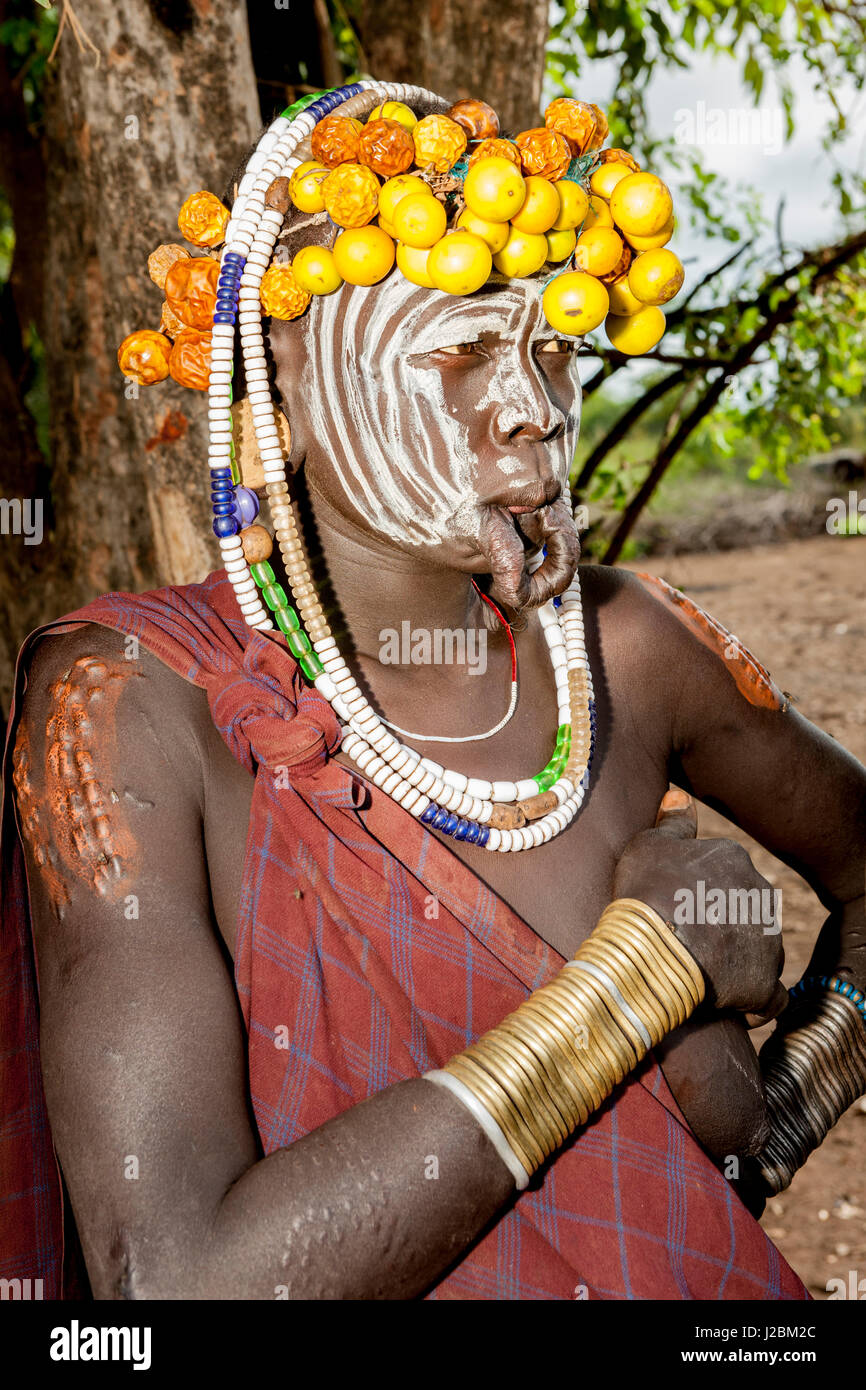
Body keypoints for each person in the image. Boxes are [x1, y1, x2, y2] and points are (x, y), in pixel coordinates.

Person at [2, 81, 864, 1302]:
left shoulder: (628, 645)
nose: (528, 406)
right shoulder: (130, 705)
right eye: (456, 351)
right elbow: (181, 1280)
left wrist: (780, 1111)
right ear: (282, 380)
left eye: (548, 349)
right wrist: (637, 983)